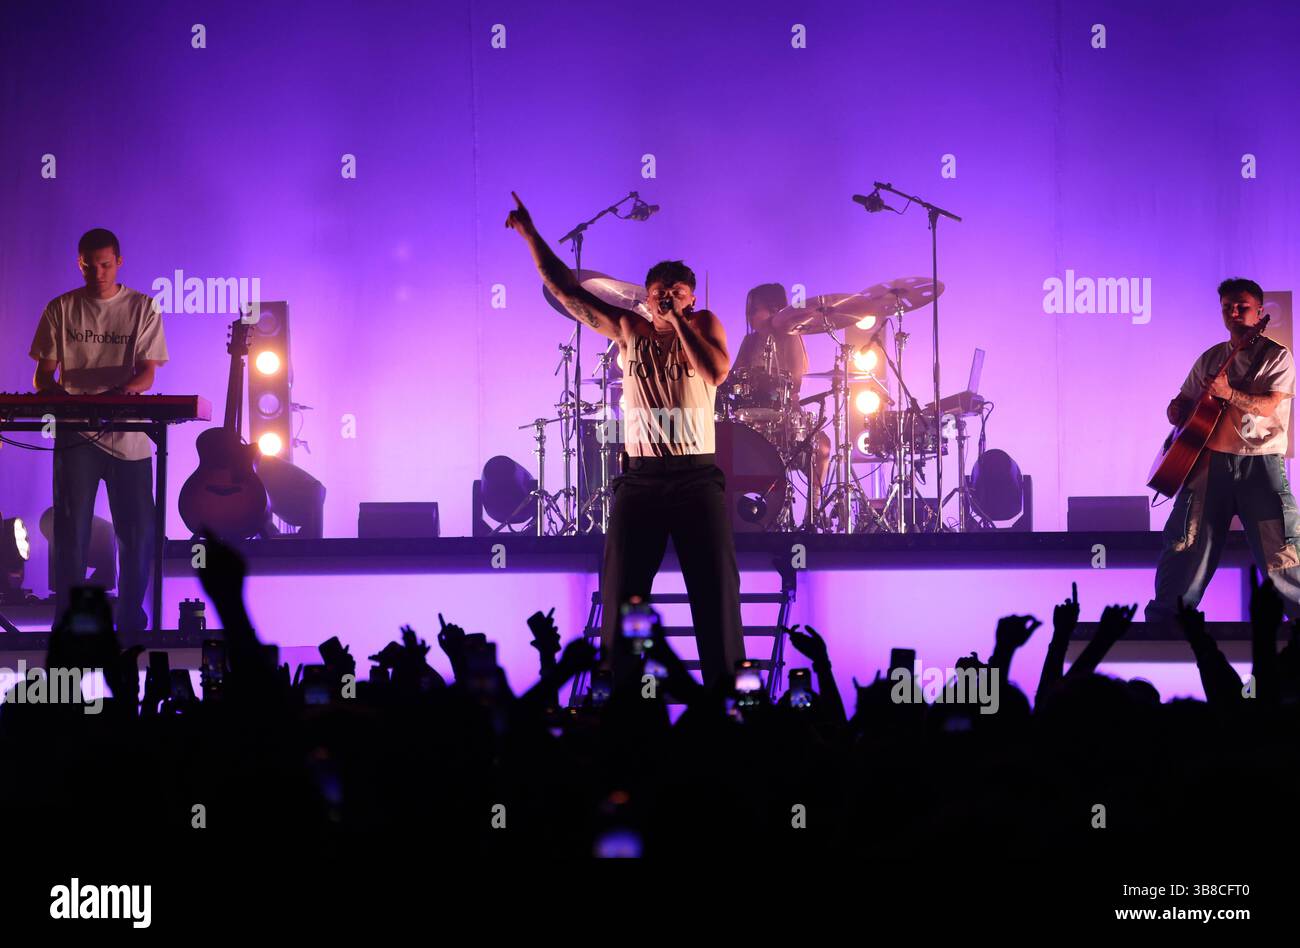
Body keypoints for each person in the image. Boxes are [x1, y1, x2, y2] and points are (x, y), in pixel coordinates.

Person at [504, 192, 744, 686]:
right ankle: (622, 702)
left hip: (696, 477)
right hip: (641, 481)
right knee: (622, 595)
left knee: (715, 592)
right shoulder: (628, 329)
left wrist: (678, 322)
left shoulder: (704, 324)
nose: (667, 295)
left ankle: (727, 701)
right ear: (645, 293)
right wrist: (531, 238)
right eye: (659, 289)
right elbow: (567, 293)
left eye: (677, 291)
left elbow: (716, 372)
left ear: (691, 296)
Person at [30, 228, 169, 632]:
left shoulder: (142, 307)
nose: (99, 273)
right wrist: (61, 396)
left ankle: (130, 621)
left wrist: (116, 395)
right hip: (77, 434)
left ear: (119, 262)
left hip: (129, 435)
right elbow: (43, 374)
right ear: (80, 264)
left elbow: (147, 375)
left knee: (138, 535)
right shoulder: (61, 308)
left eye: (106, 265)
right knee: (71, 534)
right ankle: (70, 623)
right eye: (90, 266)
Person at [1146, 277, 1300, 624]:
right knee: (1187, 541)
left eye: (1242, 306)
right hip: (1209, 462)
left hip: (1260, 465)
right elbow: (1182, 402)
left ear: (1259, 312)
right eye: (1227, 307)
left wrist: (1228, 393)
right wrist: (1175, 410)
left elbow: (1268, 406)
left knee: (1280, 549)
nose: (1233, 312)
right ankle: (1168, 619)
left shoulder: (1277, 356)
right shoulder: (1211, 357)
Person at [728, 282, 831, 505]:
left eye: (754, 309)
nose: (749, 315)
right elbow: (732, 378)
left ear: (775, 309)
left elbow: (795, 382)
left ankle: (814, 507)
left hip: (785, 413)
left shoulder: (791, 337)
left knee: (822, 447)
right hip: (750, 418)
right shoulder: (749, 341)